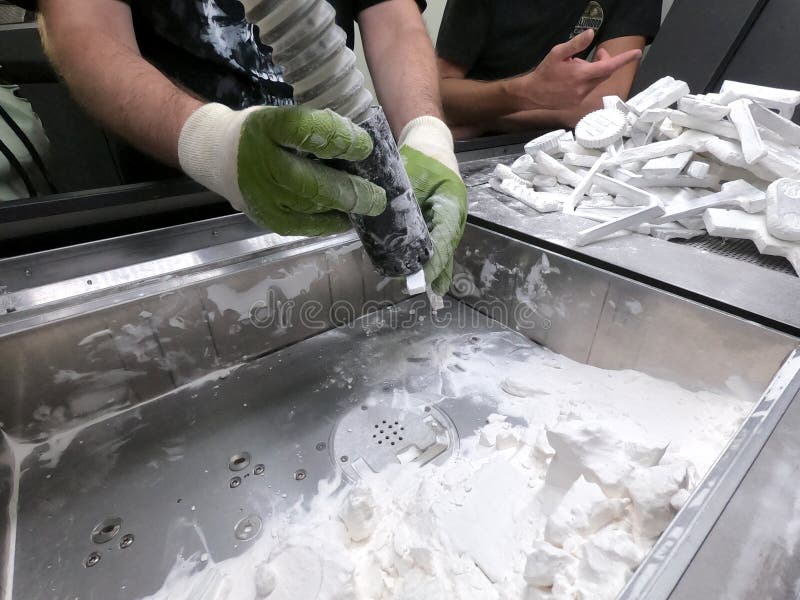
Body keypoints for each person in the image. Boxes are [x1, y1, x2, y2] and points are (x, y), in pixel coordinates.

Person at [13, 0, 468, 293]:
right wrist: (212, 142)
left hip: (345, 195)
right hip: (186, 214)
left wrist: (426, 132)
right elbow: (83, 26)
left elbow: (393, 19)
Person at [436, 0, 662, 139]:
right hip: (465, 140)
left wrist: (487, 118)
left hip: (539, 138)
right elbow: (439, 93)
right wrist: (522, 93)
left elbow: (605, 102)